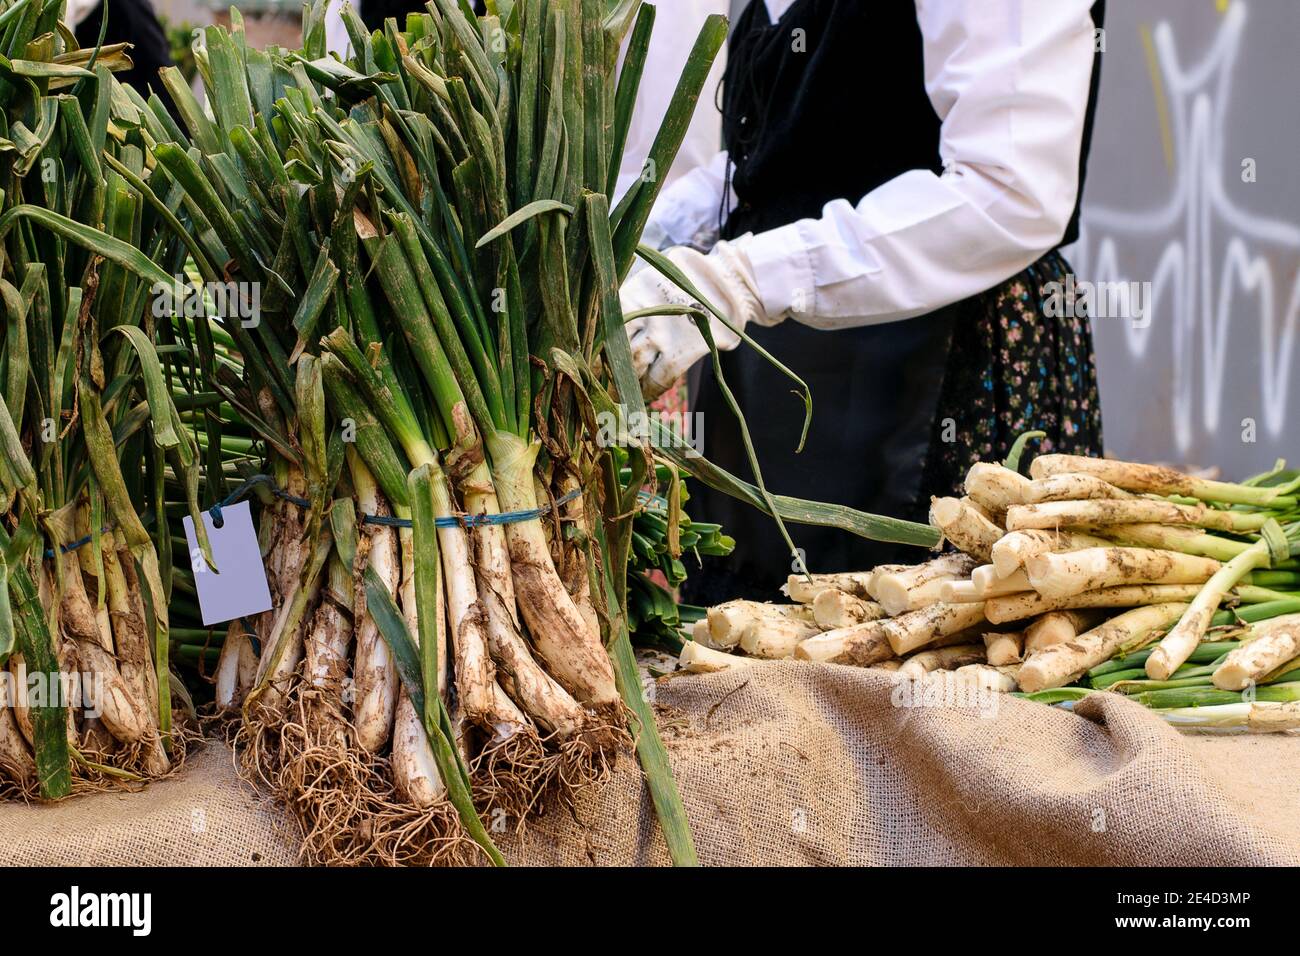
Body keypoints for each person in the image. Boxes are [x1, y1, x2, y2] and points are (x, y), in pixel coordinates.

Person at [620, 0, 1107, 605]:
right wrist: (646, 238)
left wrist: (736, 282)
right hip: (772, 386)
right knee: (738, 662)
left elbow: (1009, 190)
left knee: (920, 668)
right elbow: (807, 148)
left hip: (939, 373)